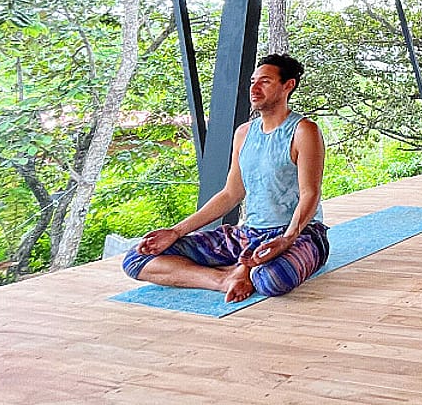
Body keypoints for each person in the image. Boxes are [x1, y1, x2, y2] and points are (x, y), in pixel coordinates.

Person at [122, 54, 328, 302]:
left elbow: (310, 193)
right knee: (137, 258)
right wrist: (176, 232)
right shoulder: (243, 133)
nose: (254, 88)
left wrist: (287, 238)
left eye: (265, 81)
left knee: (273, 279)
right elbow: (231, 193)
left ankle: (245, 269)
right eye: (253, 81)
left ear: (288, 85)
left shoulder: (304, 131)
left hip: (302, 233)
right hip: (248, 234)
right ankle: (225, 278)